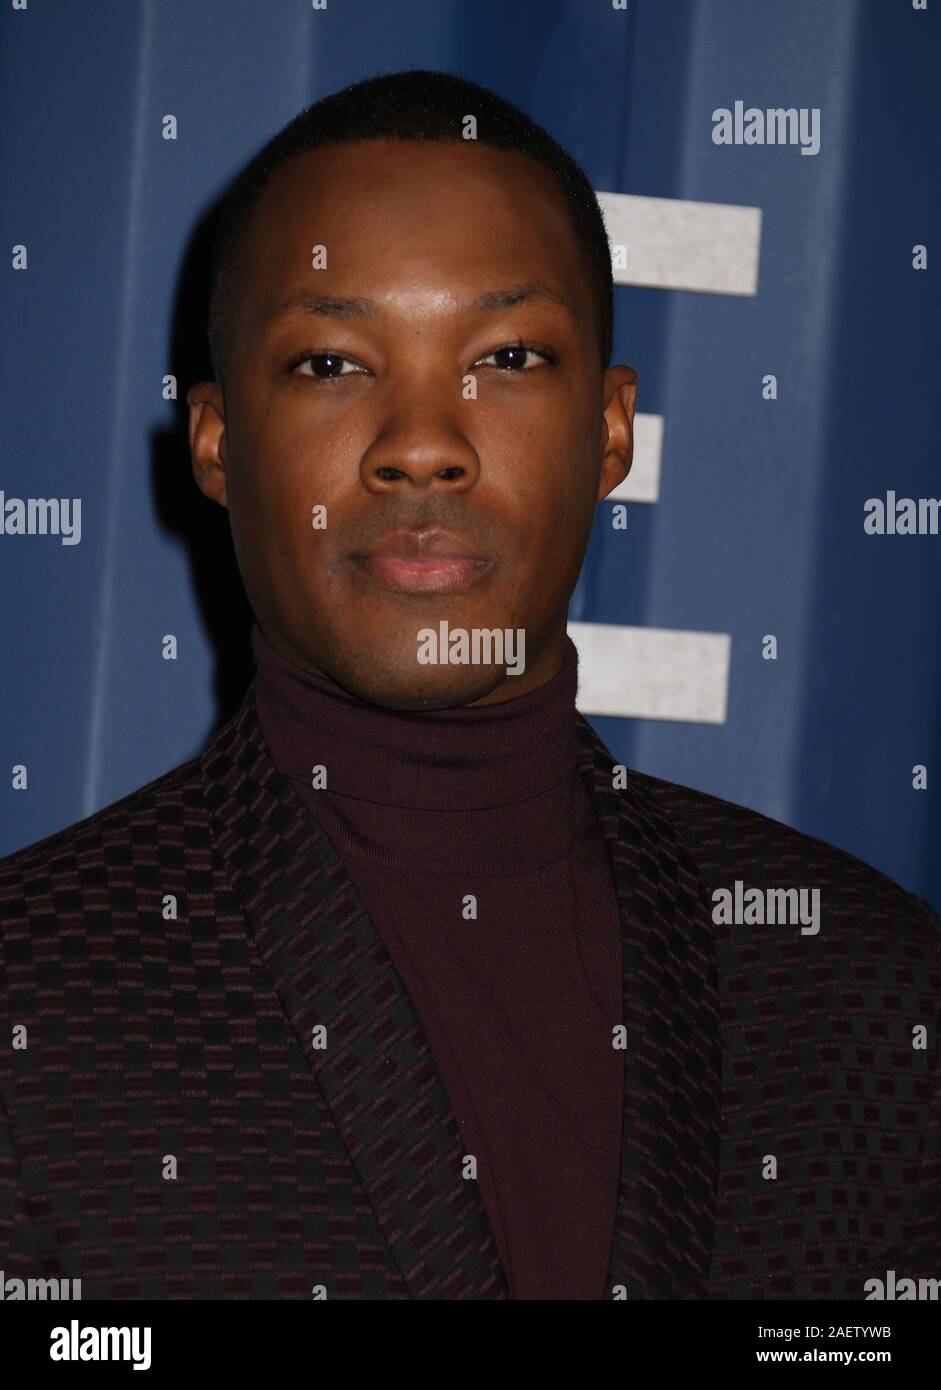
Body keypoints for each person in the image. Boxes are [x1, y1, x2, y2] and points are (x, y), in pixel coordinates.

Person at [1, 68, 938, 1301]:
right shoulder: (33, 999)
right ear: (217, 443)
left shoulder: (870, 992)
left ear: (612, 433)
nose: (424, 443)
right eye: (332, 363)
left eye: (505, 354)